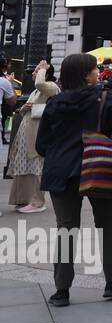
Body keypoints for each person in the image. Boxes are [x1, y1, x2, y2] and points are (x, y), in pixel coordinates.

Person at [37, 53, 112, 307]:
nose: (96, 73)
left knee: (66, 228)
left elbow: (41, 144)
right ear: (85, 75)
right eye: (93, 70)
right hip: (99, 167)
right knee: (107, 223)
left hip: (60, 170)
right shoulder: (105, 97)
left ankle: (62, 290)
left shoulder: (54, 103)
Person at [6, 60, 58, 214]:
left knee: (36, 168)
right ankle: (23, 199)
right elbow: (24, 110)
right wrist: (25, 107)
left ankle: (37, 202)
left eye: (37, 71)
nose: (34, 74)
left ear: (45, 73)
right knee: (23, 166)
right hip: (27, 133)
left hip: (37, 134)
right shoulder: (36, 93)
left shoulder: (50, 87)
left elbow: (40, 84)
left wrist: (42, 69)